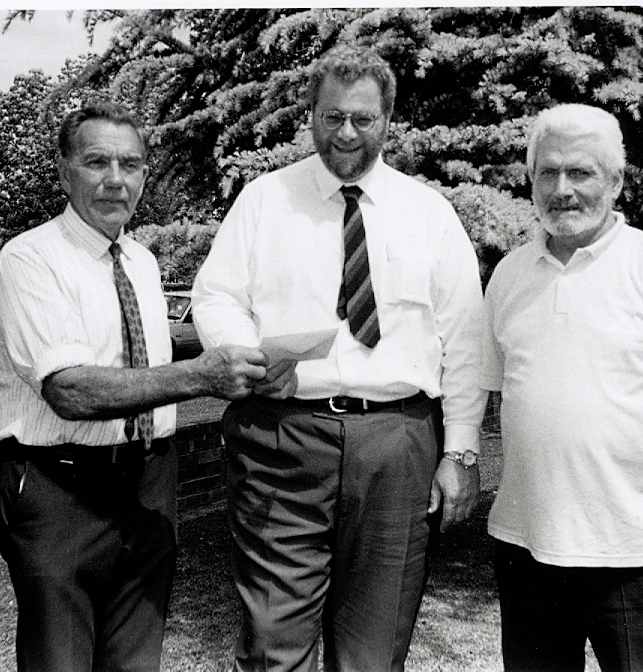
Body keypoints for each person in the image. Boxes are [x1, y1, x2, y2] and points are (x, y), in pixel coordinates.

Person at [191, 45, 486, 671]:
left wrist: (460, 450)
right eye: (331, 118)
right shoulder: (265, 200)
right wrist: (241, 353)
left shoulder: (429, 213)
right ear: (311, 115)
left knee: (374, 652)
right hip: (281, 439)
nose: (346, 133)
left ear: (388, 120)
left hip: (397, 444)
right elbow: (215, 295)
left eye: (363, 119)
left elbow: (464, 341)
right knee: (274, 645)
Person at [0, 101, 267, 672]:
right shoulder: (29, 259)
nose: (116, 179)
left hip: (147, 482)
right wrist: (201, 376)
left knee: (137, 660)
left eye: (131, 164)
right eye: (97, 162)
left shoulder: (140, 261)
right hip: (56, 484)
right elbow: (69, 390)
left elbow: (138, 356)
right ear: (65, 171)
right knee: (59, 660)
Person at [480, 103, 643, 672]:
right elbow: (500, 390)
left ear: (616, 181)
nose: (562, 189)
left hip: (632, 555)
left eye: (581, 173)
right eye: (546, 173)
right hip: (525, 547)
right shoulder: (509, 275)